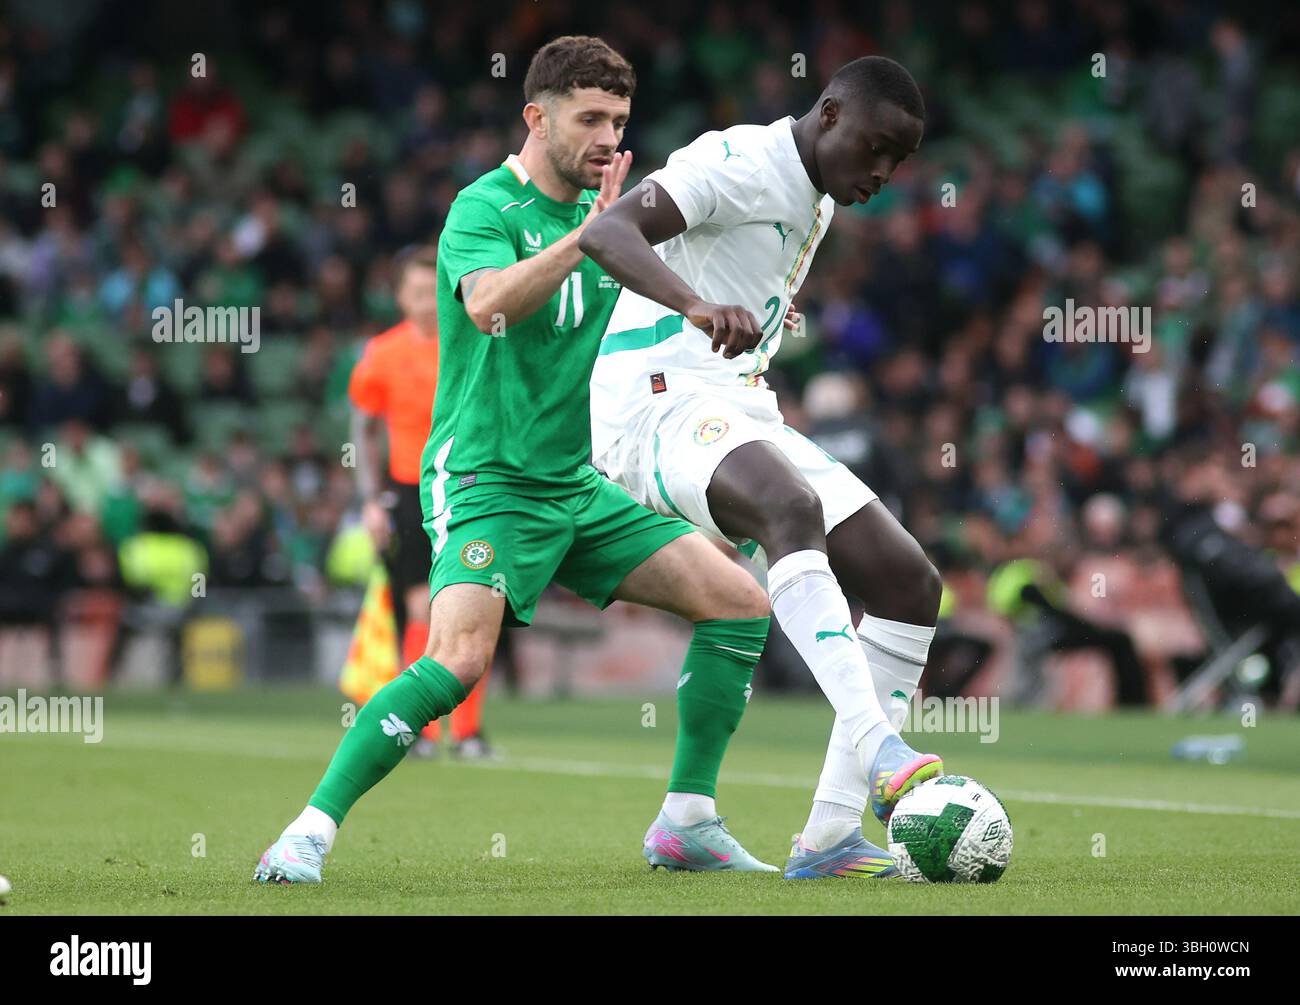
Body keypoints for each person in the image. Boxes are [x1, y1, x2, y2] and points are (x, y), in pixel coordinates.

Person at [254, 36, 780, 885]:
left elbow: (655, 302)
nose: (609, 138)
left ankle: (689, 819)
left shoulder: (602, 221)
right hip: (486, 480)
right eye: (591, 118)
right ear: (536, 116)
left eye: (619, 121)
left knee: (739, 604)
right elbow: (492, 302)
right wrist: (591, 237)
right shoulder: (484, 207)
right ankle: (306, 832)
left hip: (573, 483)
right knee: (458, 662)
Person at [580, 55, 945, 879]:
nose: (883, 173)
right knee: (788, 508)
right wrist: (695, 304)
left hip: (735, 403)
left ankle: (829, 837)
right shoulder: (739, 162)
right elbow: (605, 232)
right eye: (876, 148)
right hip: (654, 399)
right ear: (828, 115)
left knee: (906, 581)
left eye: (900, 162)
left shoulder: (815, 193)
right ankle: (880, 744)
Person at [348, 245, 494, 757]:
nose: (427, 303)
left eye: (431, 291)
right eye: (414, 293)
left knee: (479, 605)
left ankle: (470, 733)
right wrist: (370, 499)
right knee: (418, 608)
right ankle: (423, 733)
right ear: (399, 298)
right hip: (409, 490)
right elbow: (363, 426)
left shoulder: (473, 339)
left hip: (469, 484)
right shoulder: (381, 354)